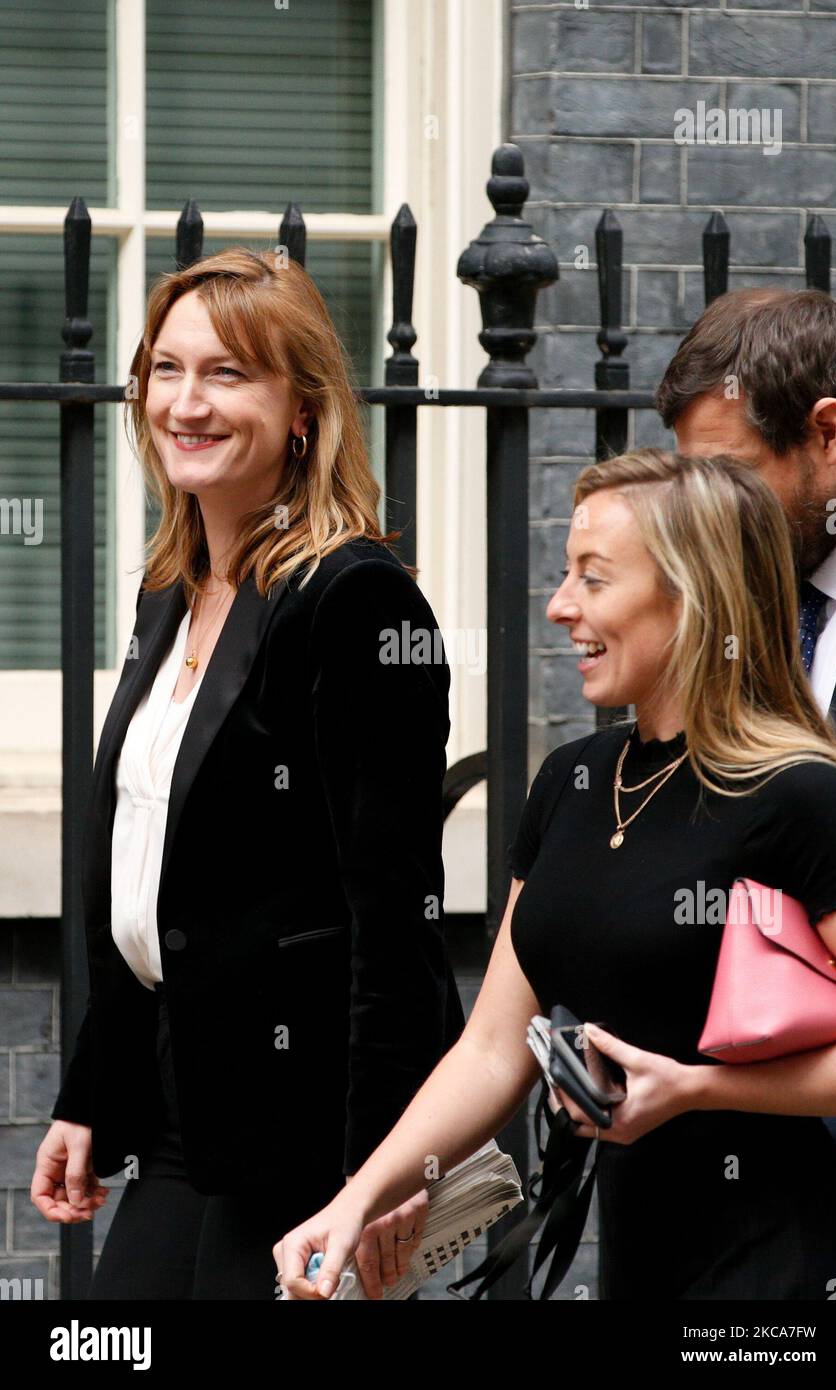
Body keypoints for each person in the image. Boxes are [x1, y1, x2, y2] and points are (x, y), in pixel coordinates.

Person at [273, 449, 836, 1301]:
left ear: (694, 595)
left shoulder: (796, 794)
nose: (559, 608)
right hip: (638, 1257)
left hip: (785, 1268)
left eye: (594, 580)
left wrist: (700, 1090)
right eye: (564, 576)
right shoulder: (576, 781)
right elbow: (490, 1051)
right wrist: (357, 1197)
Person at [30, 246, 464, 1300]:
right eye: (165, 371)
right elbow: (150, 880)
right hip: (188, 1113)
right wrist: (91, 1093)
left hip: (308, 1133)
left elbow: (393, 913)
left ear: (302, 409)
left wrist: (381, 1169)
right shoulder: (170, 593)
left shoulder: (352, 601)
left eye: (226, 374)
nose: (185, 401)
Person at [657, 286, 836, 1176]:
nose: (712, 515)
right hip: (738, 1164)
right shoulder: (726, 605)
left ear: (828, 433)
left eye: (734, 475)